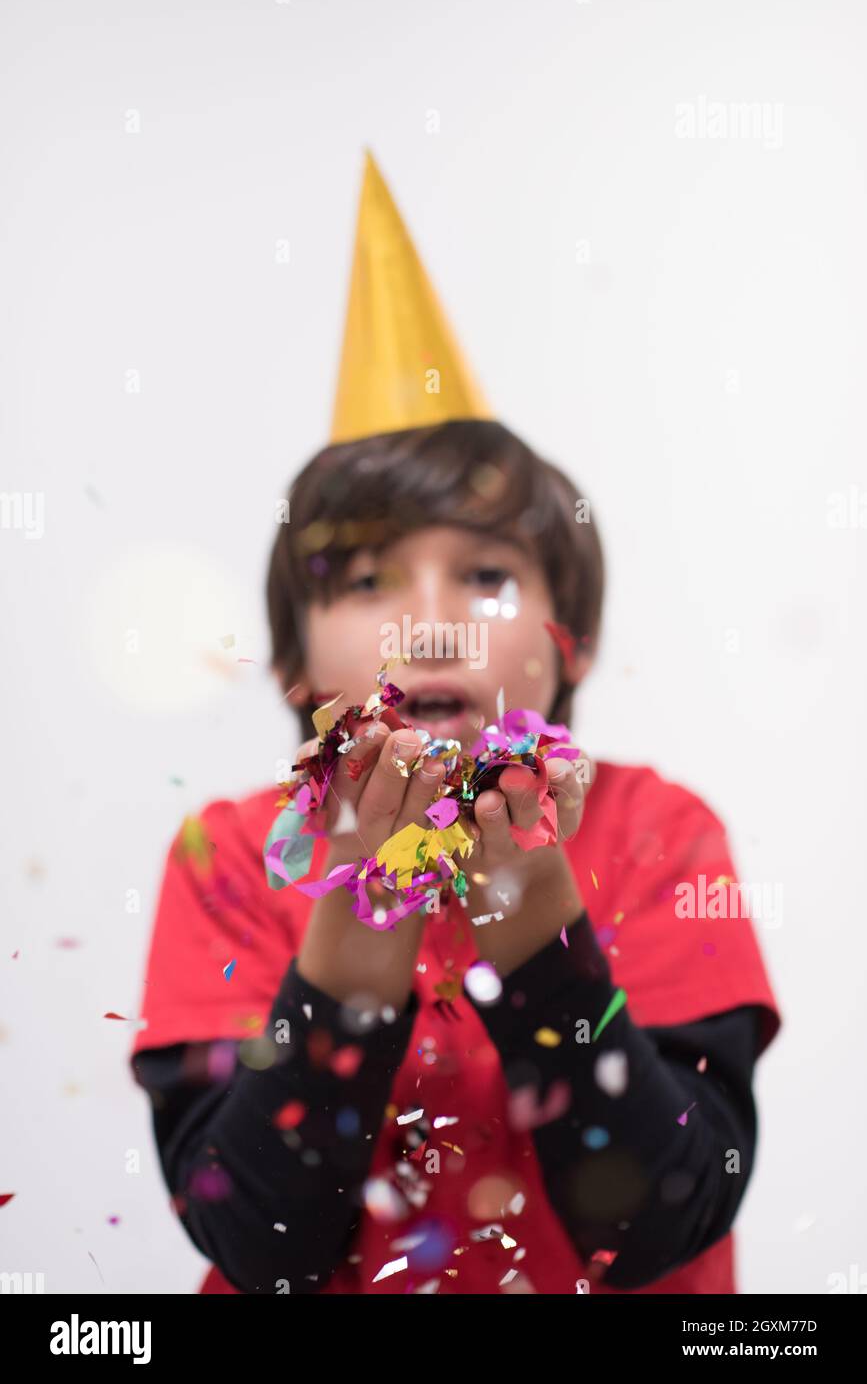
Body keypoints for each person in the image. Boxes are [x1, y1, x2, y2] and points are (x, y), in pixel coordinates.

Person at [129, 153, 781, 1296]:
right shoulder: (227, 856)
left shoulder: (660, 835)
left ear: (565, 637)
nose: (429, 627)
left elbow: (665, 1219)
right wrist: (357, 934)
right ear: (290, 661)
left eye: (484, 575)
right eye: (368, 579)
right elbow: (256, 1249)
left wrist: (530, 907)